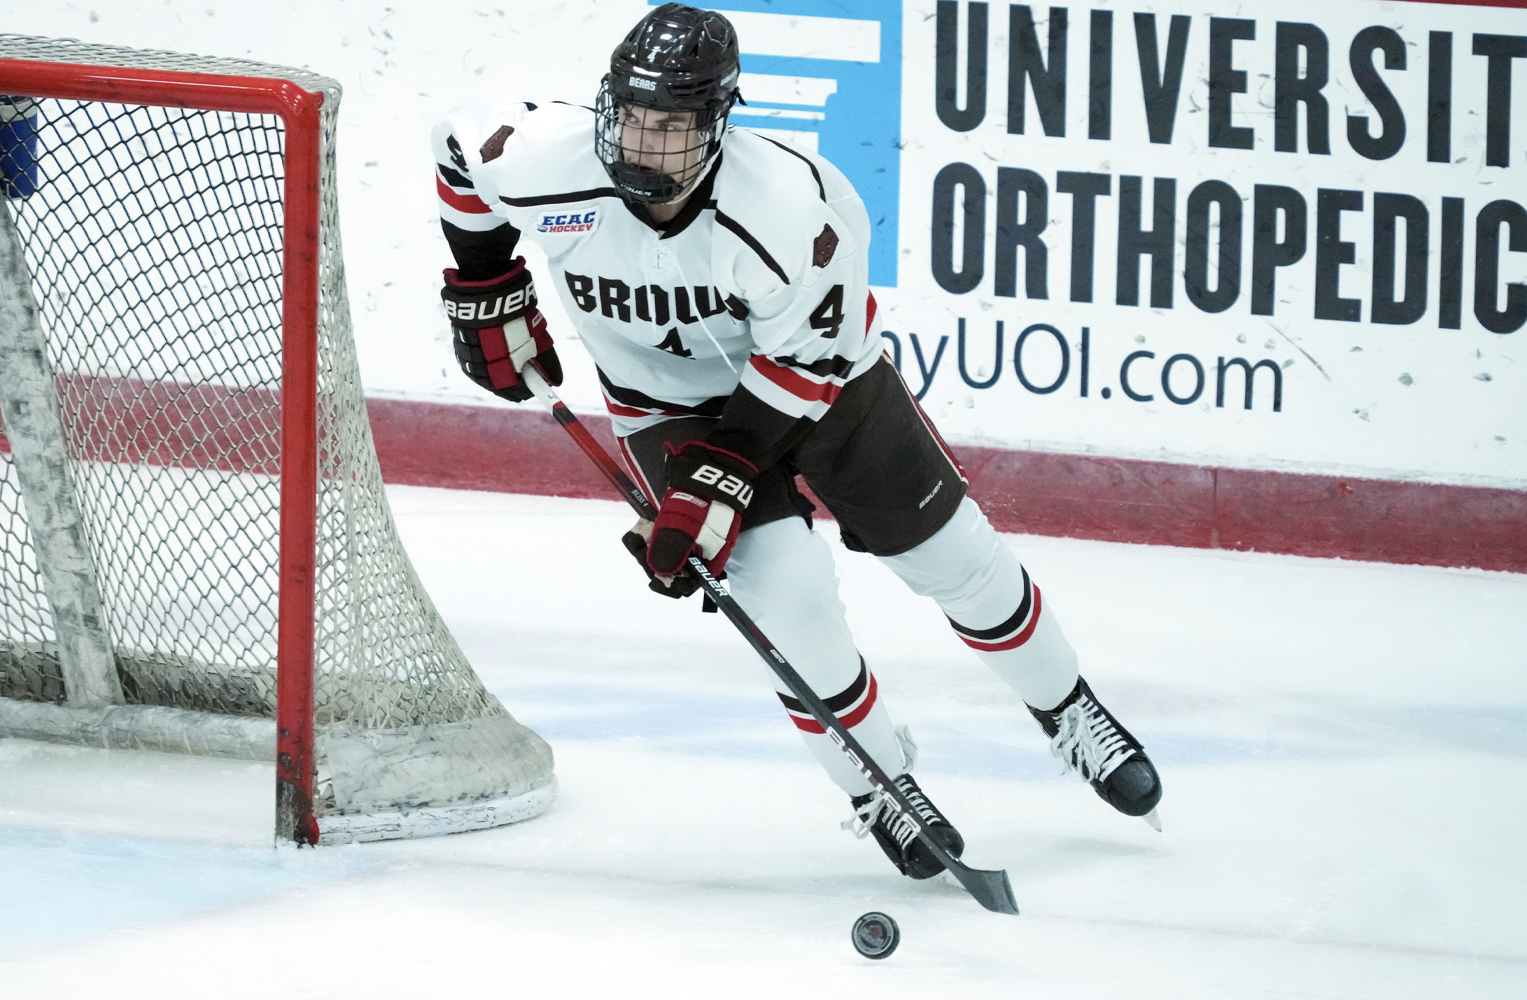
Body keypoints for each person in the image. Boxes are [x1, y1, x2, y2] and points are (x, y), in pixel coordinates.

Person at [432, 4, 1162, 881]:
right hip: (665, 405)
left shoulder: (788, 209)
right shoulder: (544, 160)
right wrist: (488, 282)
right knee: (788, 593)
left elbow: (807, 364)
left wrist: (724, 476)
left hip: (821, 383)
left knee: (951, 557)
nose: (639, 146)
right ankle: (878, 780)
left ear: (717, 125)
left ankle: (1069, 709)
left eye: (668, 128)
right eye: (629, 117)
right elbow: (456, 149)